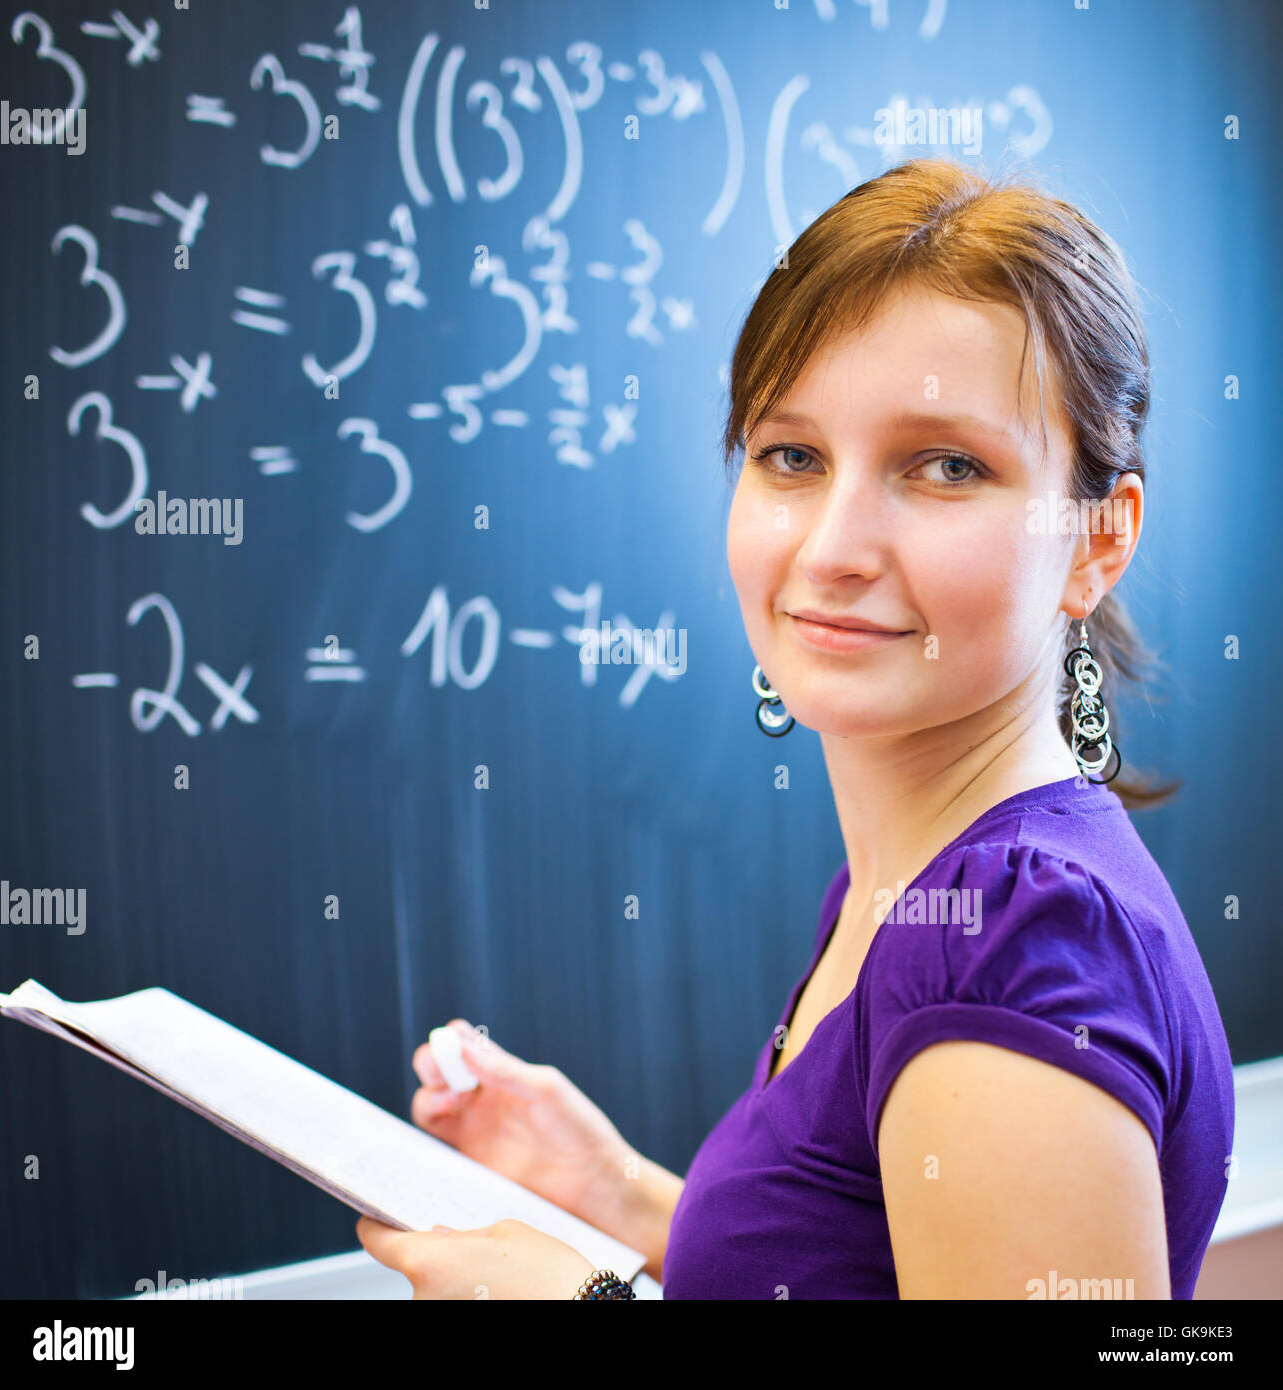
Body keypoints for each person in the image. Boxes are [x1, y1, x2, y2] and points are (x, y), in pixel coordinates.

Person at [357, 157, 1235, 1299]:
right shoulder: (922, 888)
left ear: (1095, 540)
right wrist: (621, 1191)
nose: (832, 546)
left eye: (945, 466)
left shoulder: (1008, 944)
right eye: (791, 456)